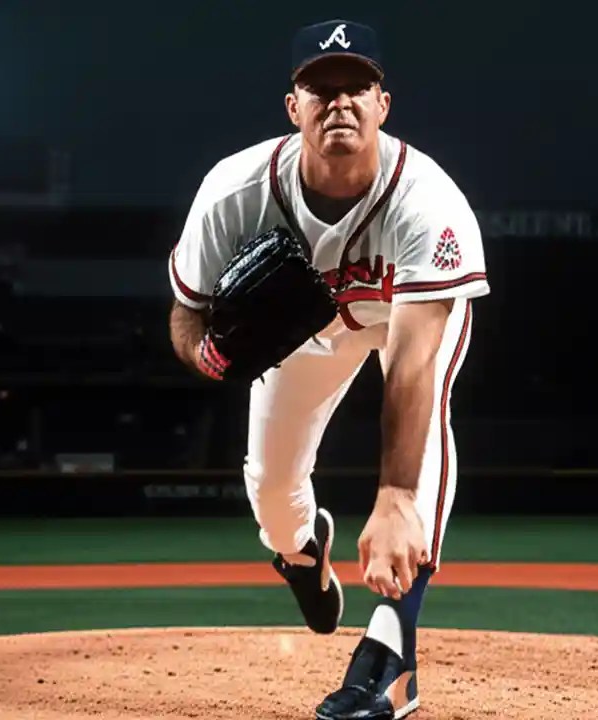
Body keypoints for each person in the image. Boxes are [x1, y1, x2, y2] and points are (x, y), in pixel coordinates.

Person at [166, 18, 489, 720]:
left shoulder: (428, 202)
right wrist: (206, 355)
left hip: (405, 322)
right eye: (320, 87)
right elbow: (186, 310)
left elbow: (410, 366)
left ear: (382, 105)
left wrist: (397, 493)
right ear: (294, 106)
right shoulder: (234, 190)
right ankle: (304, 553)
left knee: (422, 442)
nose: (338, 101)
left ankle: (391, 656)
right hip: (309, 335)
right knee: (272, 493)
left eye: (356, 87)